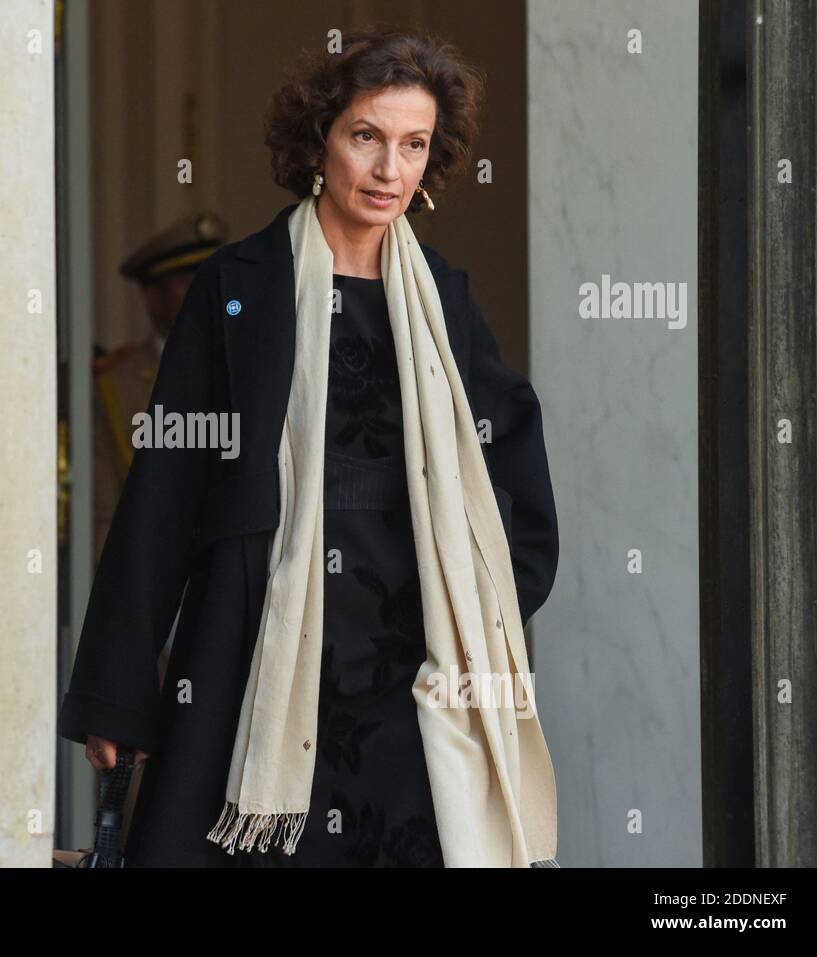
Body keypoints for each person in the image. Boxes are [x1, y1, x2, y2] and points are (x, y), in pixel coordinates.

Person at [59, 30, 561, 867]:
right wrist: (118, 692)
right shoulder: (236, 288)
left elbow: (510, 465)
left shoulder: (445, 297)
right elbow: (165, 491)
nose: (388, 169)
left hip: (413, 669)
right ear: (318, 141)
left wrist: (485, 604)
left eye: (413, 145)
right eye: (366, 136)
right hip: (257, 647)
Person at [92, 212, 226, 564]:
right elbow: (103, 511)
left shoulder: (254, 364)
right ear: (152, 294)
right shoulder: (114, 384)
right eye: (189, 280)